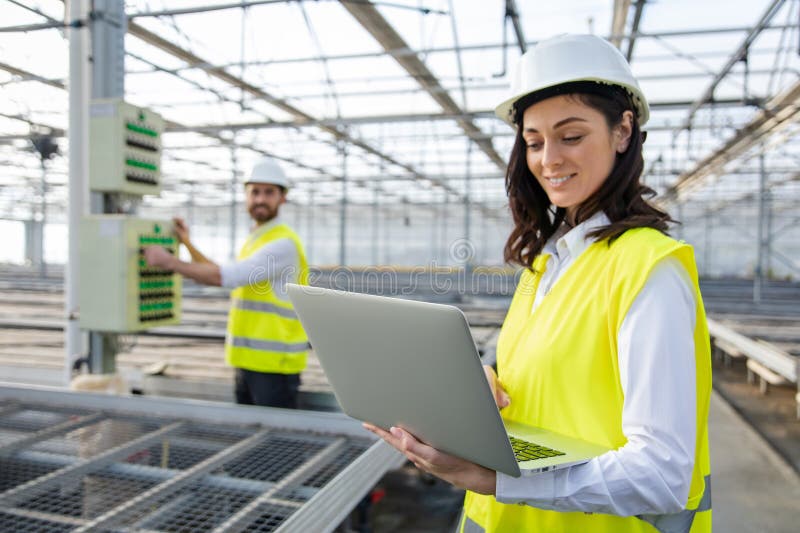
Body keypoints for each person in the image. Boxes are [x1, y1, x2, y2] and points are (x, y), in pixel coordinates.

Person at [365, 34, 712, 532]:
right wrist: (484, 391)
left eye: (571, 136)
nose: (548, 159)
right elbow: (554, 385)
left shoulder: (650, 269)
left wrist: (500, 479)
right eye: (533, 141)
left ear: (623, 131)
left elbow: (663, 475)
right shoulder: (546, 265)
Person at [144, 157, 309, 408]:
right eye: (255, 192)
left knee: (273, 441)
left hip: (275, 366)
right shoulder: (258, 239)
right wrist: (187, 243)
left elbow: (225, 277)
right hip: (250, 361)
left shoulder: (282, 243)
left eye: (269, 192)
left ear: (282, 198)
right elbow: (221, 271)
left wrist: (169, 263)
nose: (260, 199)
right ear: (245, 196)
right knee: (254, 438)